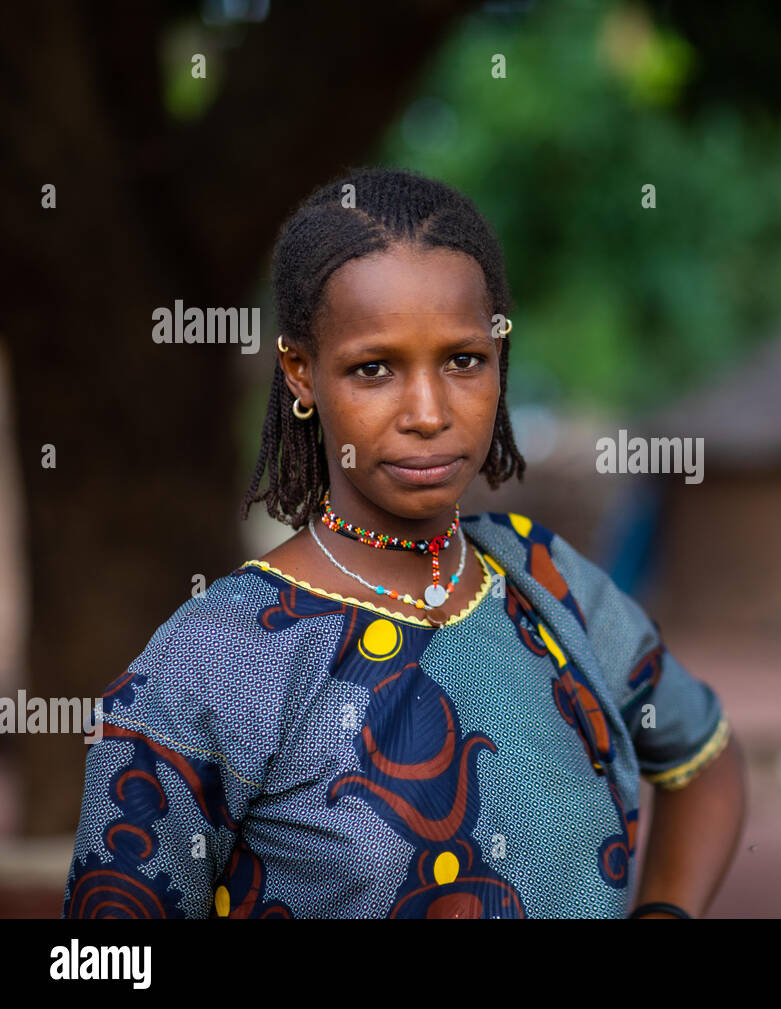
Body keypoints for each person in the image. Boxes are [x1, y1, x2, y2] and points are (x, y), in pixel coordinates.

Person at [62, 166, 745, 919]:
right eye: (374, 368)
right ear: (300, 372)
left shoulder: (549, 582)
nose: (428, 411)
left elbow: (705, 761)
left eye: (463, 359)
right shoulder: (216, 660)